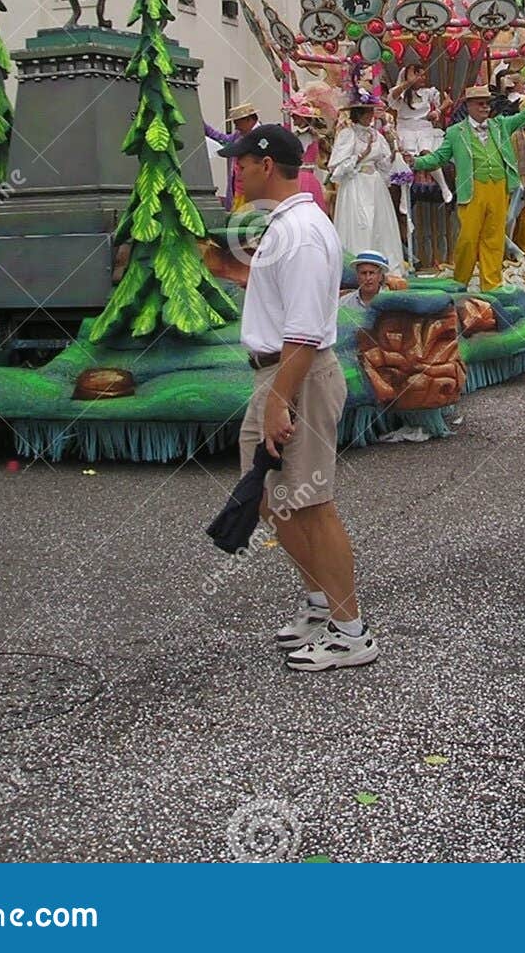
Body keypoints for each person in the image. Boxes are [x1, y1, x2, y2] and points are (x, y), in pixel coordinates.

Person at [227, 121, 378, 671]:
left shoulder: (304, 231)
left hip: (299, 376)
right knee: (270, 498)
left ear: (266, 164)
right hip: (278, 375)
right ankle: (321, 604)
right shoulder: (286, 225)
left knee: (313, 505)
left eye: (240, 161)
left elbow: (305, 328)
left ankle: (351, 631)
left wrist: (278, 400)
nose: (235, 171)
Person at [413, 83, 525, 290]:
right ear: (469, 106)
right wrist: (416, 163)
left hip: (498, 187)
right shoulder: (455, 132)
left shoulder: (500, 125)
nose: (485, 108)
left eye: (487, 104)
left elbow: (522, 118)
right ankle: (460, 282)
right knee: (468, 239)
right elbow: (439, 157)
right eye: (480, 104)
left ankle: (492, 285)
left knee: (494, 238)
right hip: (472, 189)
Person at [327, 101, 405, 272]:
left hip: (375, 184)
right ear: (358, 114)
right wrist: (362, 154)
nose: (370, 116)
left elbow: (383, 164)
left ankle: (383, 267)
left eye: (371, 112)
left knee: (379, 222)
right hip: (356, 183)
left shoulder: (376, 135)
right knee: (361, 224)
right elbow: (337, 167)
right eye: (367, 113)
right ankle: (358, 266)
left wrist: (393, 154)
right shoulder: (348, 134)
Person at [388, 64, 452, 203]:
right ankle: (405, 197)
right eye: (418, 75)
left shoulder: (428, 92)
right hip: (405, 127)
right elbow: (393, 97)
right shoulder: (401, 93)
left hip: (424, 127)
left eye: (423, 75)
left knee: (426, 153)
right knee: (407, 158)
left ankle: (443, 186)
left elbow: (444, 105)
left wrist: (438, 111)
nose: (422, 78)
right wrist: (408, 83)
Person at [289, 94, 329, 214]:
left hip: (304, 176)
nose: (293, 120)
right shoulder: (304, 135)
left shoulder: (309, 136)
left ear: (302, 118)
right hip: (304, 175)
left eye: (295, 117)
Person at [220, 102, 260, 212]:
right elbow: (223, 139)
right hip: (239, 192)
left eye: (237, 123)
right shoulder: (239, 135)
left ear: (248, 120)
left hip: (255, 194)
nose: (236, 127)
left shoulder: (262, 135)